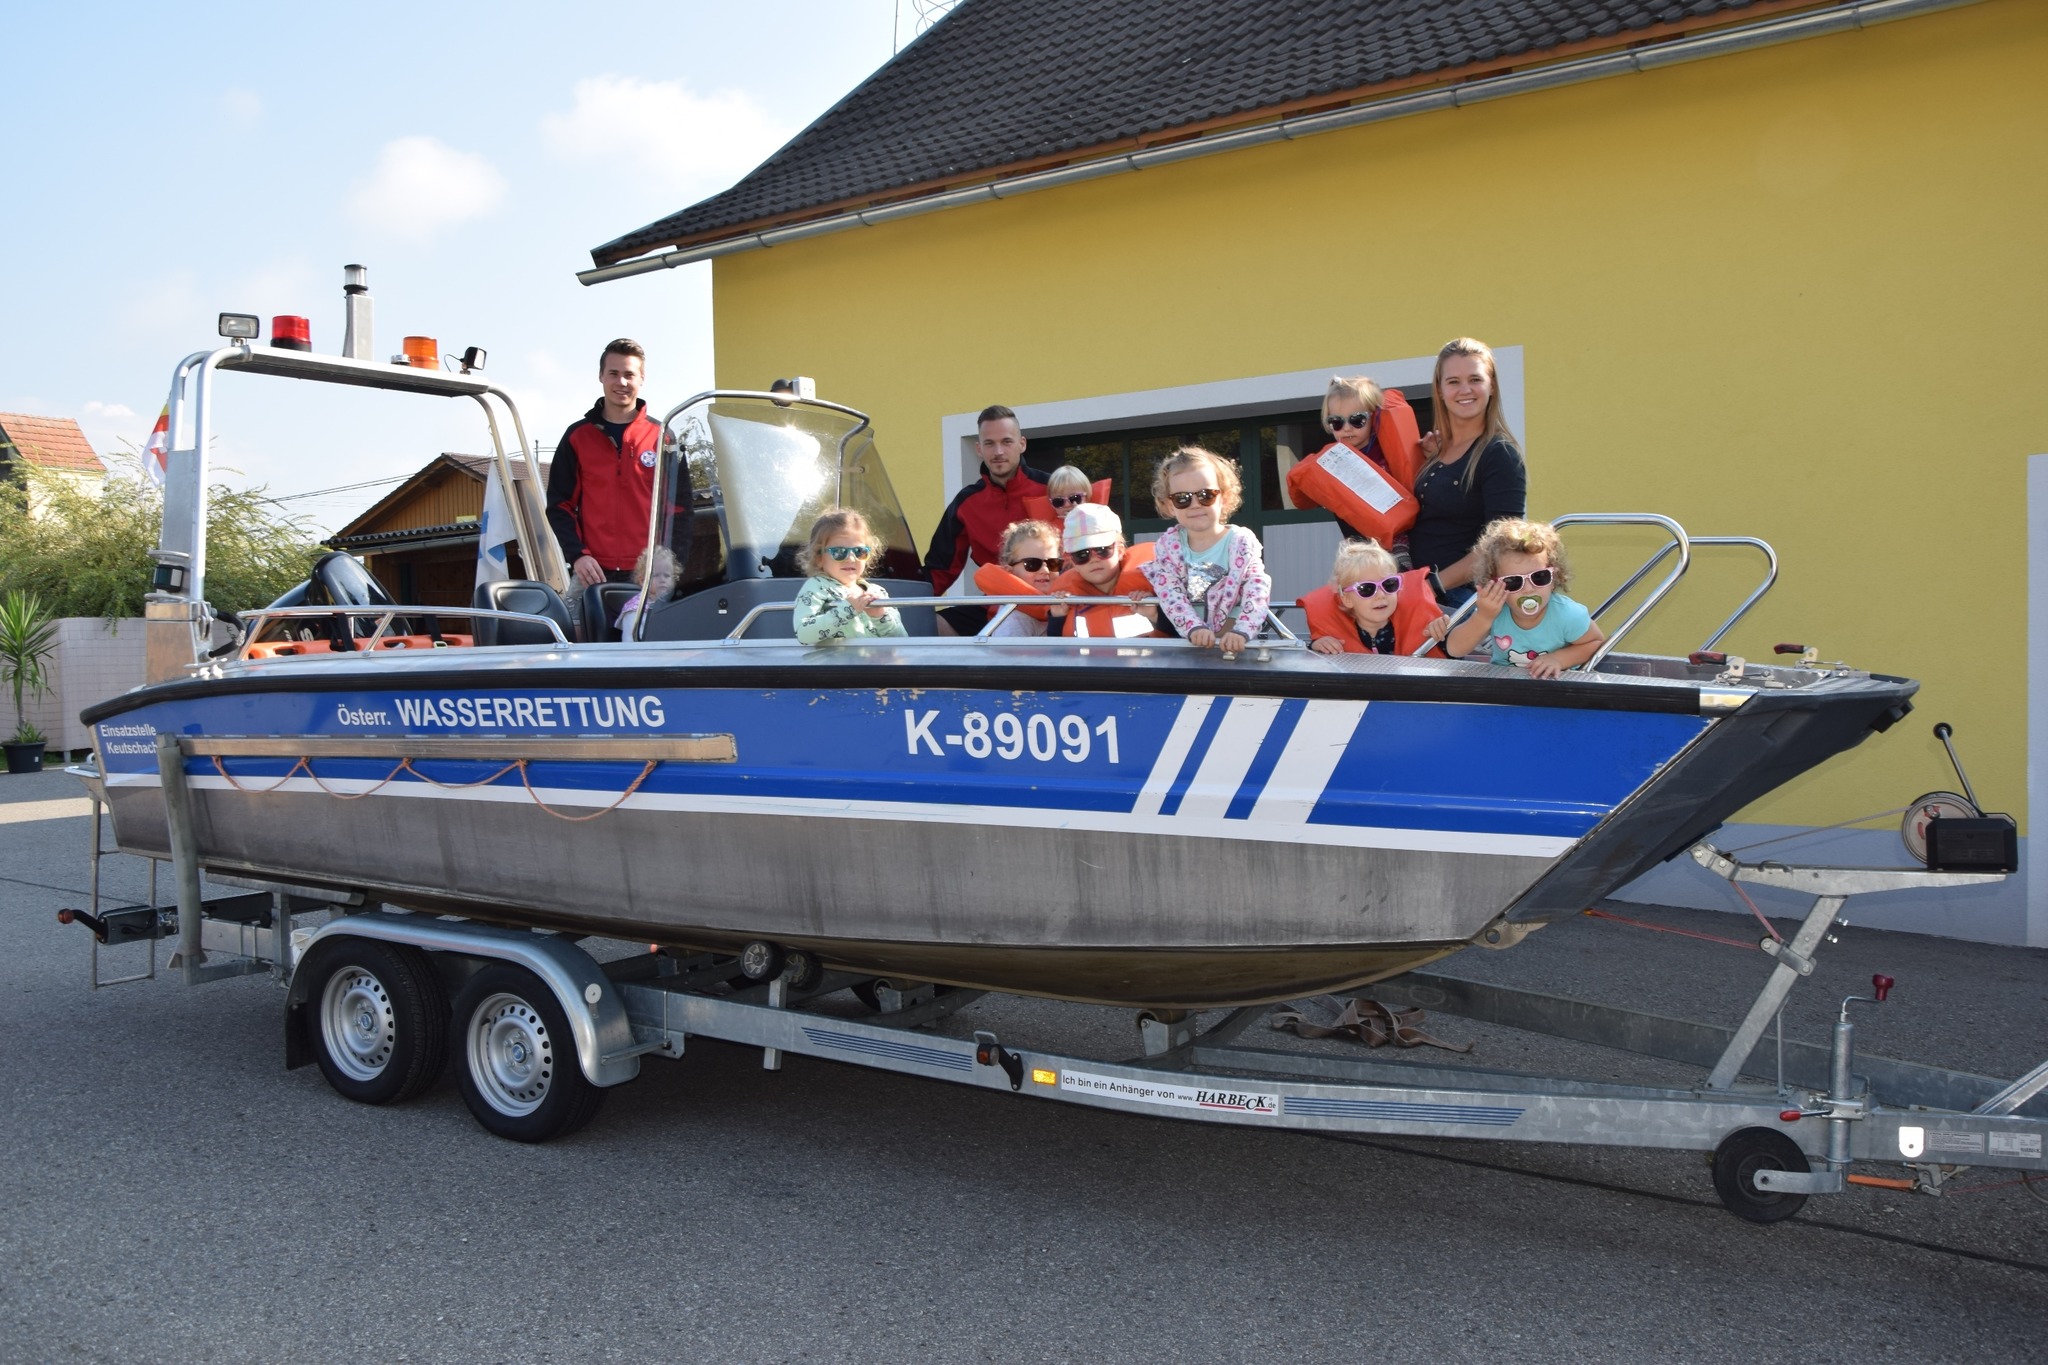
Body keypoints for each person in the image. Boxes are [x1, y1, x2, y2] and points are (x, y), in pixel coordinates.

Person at [546, 339, 687, 589]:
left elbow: (680, 510)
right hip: (592, 572)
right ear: (601, 376)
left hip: (649, 575)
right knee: (574, 628)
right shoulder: (577, 437)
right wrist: (578, 555)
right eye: (613, 373)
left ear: (641, 378)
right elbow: (559, 506)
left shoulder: (664, 438)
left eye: (629, 375)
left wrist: (669, 564)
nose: (621, 382)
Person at [1408, 338, 1527, 609]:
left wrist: (1432, 585)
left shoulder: (1499, 454)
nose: (1465, 390)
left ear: (1492, 385)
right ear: (1439, 390)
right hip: (1422, 596)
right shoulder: (1436, 452)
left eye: (1475, 379)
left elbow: (1501, 546)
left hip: (1461, 602)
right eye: (1453, 382)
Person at [924, 405, 1050, 634]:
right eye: (989, 443)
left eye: (1006, 441)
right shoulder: (966, 502)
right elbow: (939, 569)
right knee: (929, 627)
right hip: (993, 603)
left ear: (1022, 444)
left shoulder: (1052, 489)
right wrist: (894, 606)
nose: (998, 451)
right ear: (979, 449)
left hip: (1051, 602)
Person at [1141, 447, 1269, 654]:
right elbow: (1170, 594)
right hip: (1188, 643)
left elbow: (1257, 590)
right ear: (1169, 505)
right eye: (1182, 498)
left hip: (1237, 642)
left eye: (1206, 495)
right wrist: (1194, 628)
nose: (1195, 505)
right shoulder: (1167, 547)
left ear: (1224, 498)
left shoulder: (1241, 542)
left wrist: (1242, 631)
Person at [1443, 518, 1603, 679]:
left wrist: (1558, 659)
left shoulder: (1567, 615)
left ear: (1554, 577)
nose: (1528, 588)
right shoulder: (1494, 611)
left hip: (1556, 687)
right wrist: (1484, 617)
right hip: (1507, 688)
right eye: (1513, 581)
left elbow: (1595, 643)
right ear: (1494, 584)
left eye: (1539, 577)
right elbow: (1455, 649)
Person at [1286, 376, 1424, 551]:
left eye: (1357, 420)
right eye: (1336, 422)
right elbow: (1304, 501)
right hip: (1360, 549)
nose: (1347, 428)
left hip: (1405, 540)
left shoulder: (1387, 452)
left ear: (1374, 417)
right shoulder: (1329, 464)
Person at [1298, 538, 1444, 657]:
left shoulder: (1424, 626)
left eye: (1389, 584)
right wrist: (1316, 646)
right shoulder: (1334, 635)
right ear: (1347, 599)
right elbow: (1313, 664)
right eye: (1366, 589)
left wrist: (1443, 630)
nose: (1380, 595)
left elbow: (1454, 648)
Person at [793, 507, 907, 645]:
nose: (851, 559)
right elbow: (804, 634)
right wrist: (847, 609)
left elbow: (902, 641)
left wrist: (881, 617)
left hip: (874, 664)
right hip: (835, 665)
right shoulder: (817, 587)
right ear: (819, 557)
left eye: (859, 551)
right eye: (839, 552)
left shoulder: (876, 592)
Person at [1046, 504, 1158, 638]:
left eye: (1102, 550)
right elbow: (1056, 650)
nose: (1094, 560)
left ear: (1120, 551)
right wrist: (1057, 619)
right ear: (1073, 562)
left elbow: (1176, 637)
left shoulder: (1151, 588)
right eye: (1082, 554)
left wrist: (1155, 615)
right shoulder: (1066, 602)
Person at [972, 520, 1063, 637]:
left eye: (1053, 563)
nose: (1045, 571)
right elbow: (1008, 655)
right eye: (1032, 564)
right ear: (1010, 571)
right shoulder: (1014, 619)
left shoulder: (1065, 605)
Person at [613, 546, 677, 640]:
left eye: (667, 575)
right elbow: (631, 642)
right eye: (656, 575)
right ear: (643, 580)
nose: (662, 580)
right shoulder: (635, 610)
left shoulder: (676, 603)